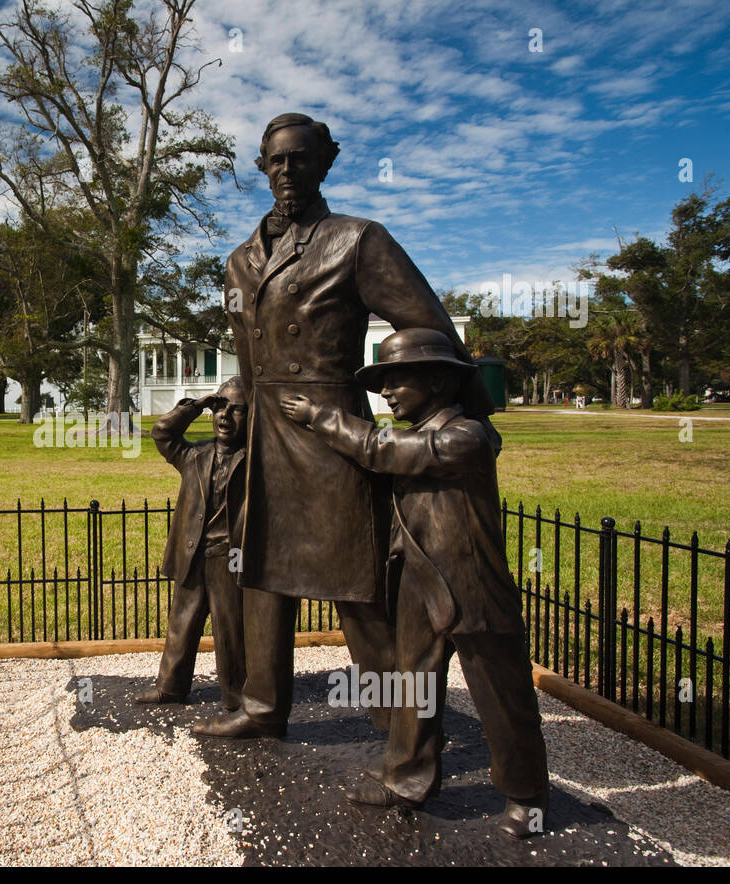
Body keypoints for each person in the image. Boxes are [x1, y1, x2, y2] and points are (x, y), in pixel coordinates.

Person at [195, 111, 501, 739]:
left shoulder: (358, 240)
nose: (287, 170)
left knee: (358, 587)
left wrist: (470, 415)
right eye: (276, 160)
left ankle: (402, 732)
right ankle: (261, 703)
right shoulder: (239, 261)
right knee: (260, 573)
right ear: (262, 169)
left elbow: (432, 327)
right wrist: (244, 425)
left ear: (327, 161)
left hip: (331, 431)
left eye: (301, 158)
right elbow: (248, 363)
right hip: (266, 430)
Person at [280, 328, 550, 839]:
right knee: (414, 681)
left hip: (470, 583)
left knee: (500, 691)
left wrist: (321, 417)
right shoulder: (425, 430)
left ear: (437, 380)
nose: (385, 392)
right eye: (381, 382)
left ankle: (526, 795)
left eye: (395, 380)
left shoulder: (464, 436)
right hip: (418, 577)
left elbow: (386, 450)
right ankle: (407, 777)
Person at [136, 378, 249, 712]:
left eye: (238, 409)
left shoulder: (257, 459)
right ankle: (170, 687)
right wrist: (196, 405)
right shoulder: (193, 455)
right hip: (192, 552)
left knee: (231, 628)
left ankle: (236, 694)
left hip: (230, 557)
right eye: (220, 407)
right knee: (181, 622)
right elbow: (162, 433)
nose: (226, 416)